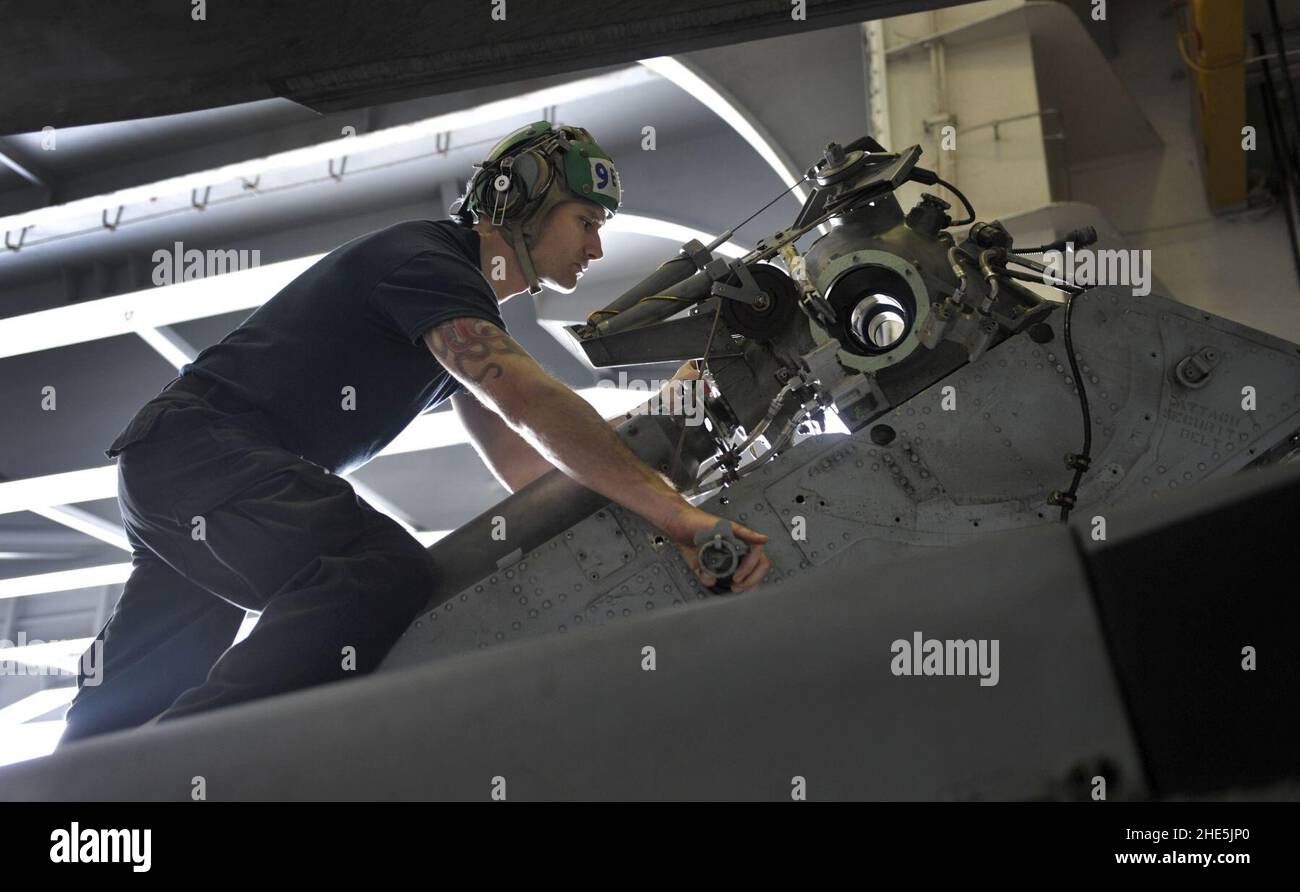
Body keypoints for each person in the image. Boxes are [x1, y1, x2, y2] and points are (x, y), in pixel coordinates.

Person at [57, 121, 771, 748]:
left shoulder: (451, 309)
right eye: (586, 220)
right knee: (381, 568)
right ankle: (187, 761)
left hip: (187, 477)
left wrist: (680, 409)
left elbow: (527, 464)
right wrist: (676, 515)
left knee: (122, 710)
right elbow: (524, 397)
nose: (596, 244)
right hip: (202, 457)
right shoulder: (429, 264)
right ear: (517, 202)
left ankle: (79, 803)